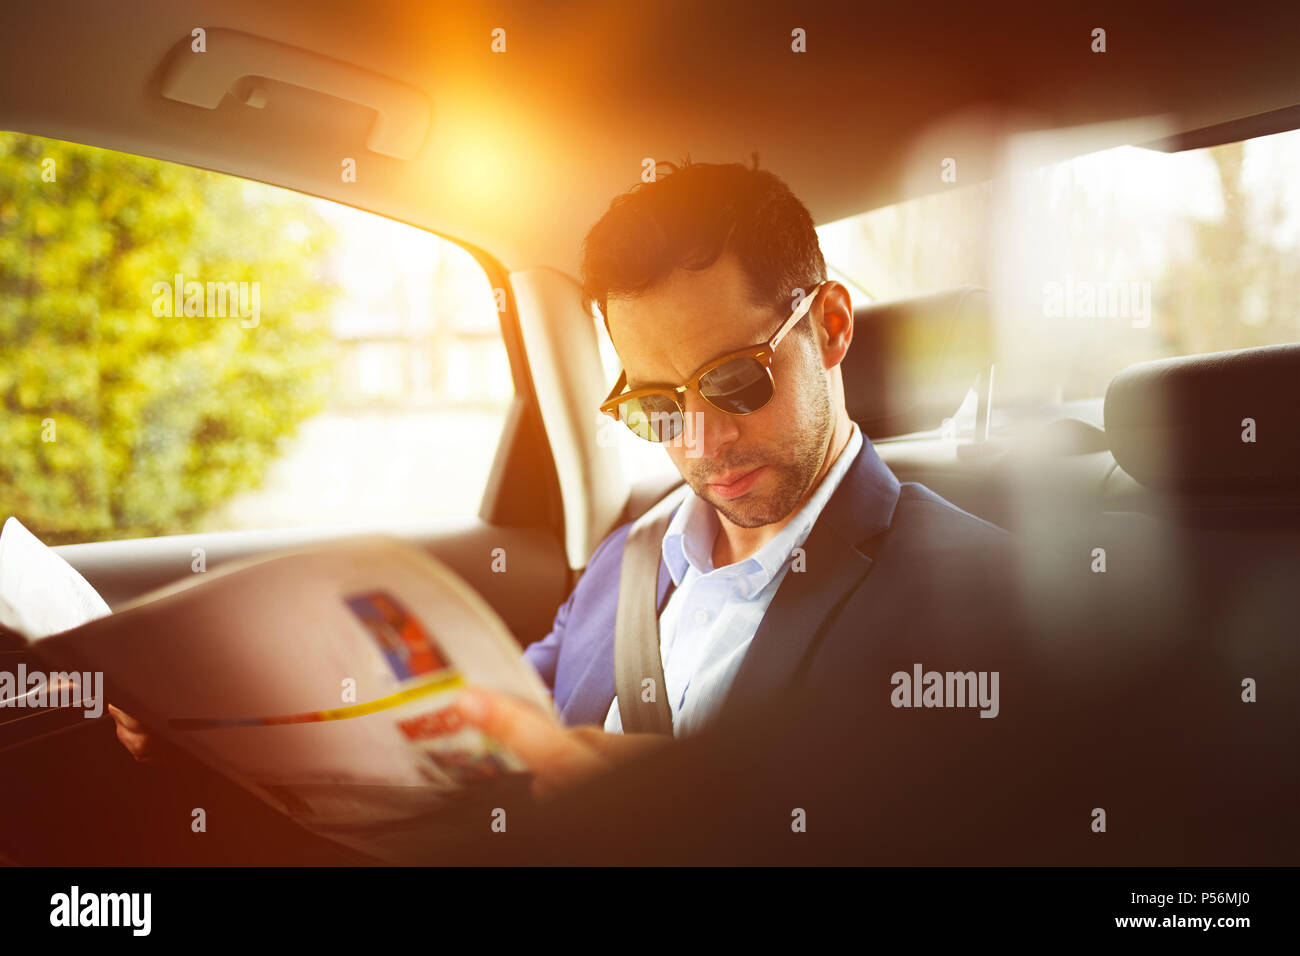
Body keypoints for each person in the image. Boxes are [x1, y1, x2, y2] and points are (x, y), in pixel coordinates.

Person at [112, 158, 1013, 799]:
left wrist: (698, 825)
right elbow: (489, 723)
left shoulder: (980, 599)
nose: (700, 441)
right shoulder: (626, 561)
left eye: (734, 381)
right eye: (658, 403)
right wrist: (221, 733)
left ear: (831, 327)